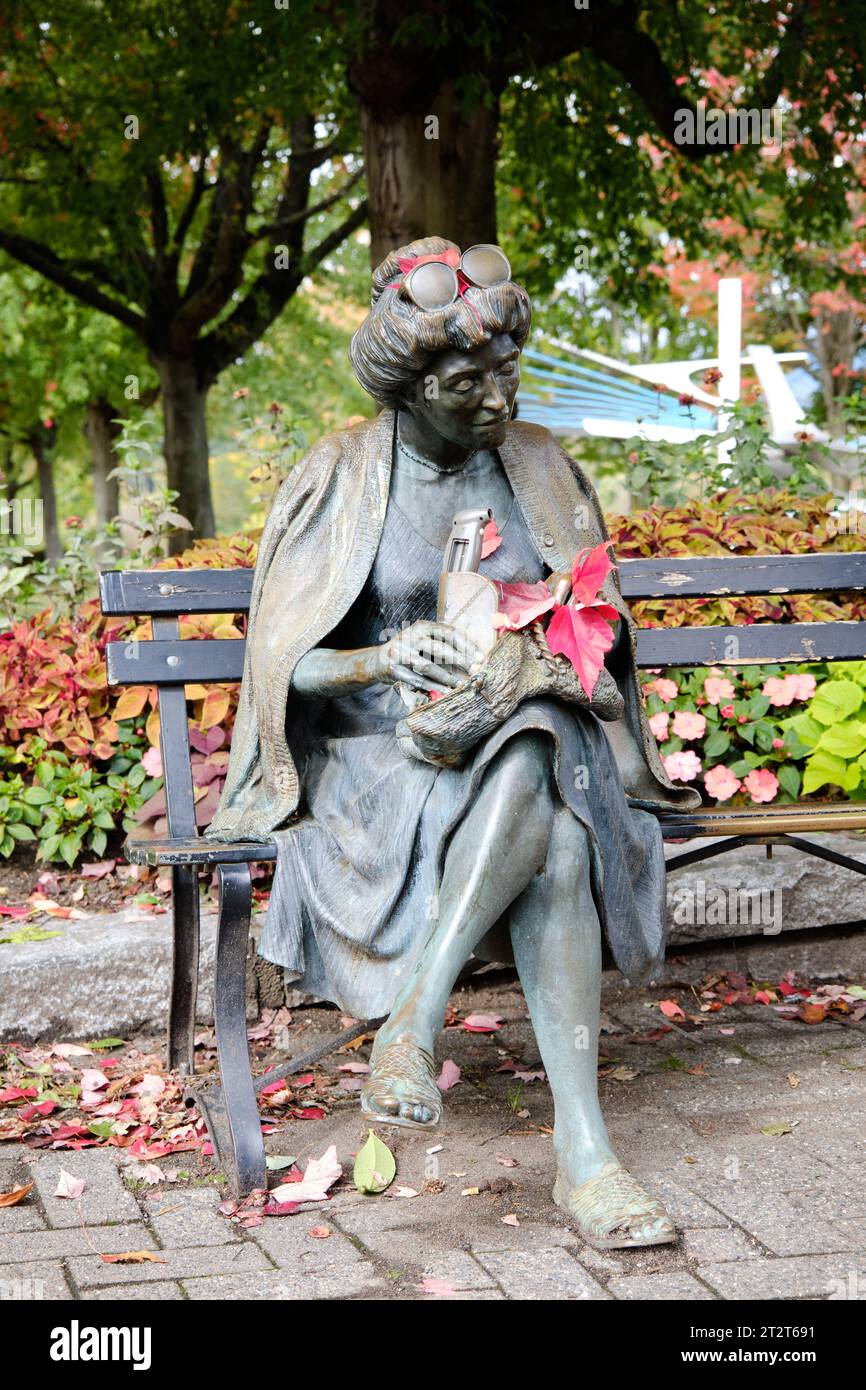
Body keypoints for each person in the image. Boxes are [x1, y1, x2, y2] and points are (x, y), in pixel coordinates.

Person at [207, 236, 700, 1249]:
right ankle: (583, 1158)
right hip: (373, 767)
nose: (495, 400)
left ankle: (414, 1023)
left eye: (506, 375)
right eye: (465, 382)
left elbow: (598, 625)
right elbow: (281, 667)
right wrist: (385, 662)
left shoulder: (541, 468)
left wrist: (558, 643)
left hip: (523, 740)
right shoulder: (340, 474)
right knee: (557, 828)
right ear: (408, 387)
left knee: (537, 745)